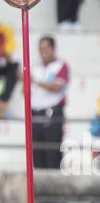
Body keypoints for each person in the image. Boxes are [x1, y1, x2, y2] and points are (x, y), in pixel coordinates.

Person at [26, 34, 69, 168]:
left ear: (53, 49)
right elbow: (26, 91)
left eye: (46, 48)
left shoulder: (61, 66)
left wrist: (34, 81)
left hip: (52, 114)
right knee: (37, 154)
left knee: (53, 153)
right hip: (36, 114)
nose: (43, 52)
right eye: (40, 49)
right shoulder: (35, 67)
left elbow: (57, 87)